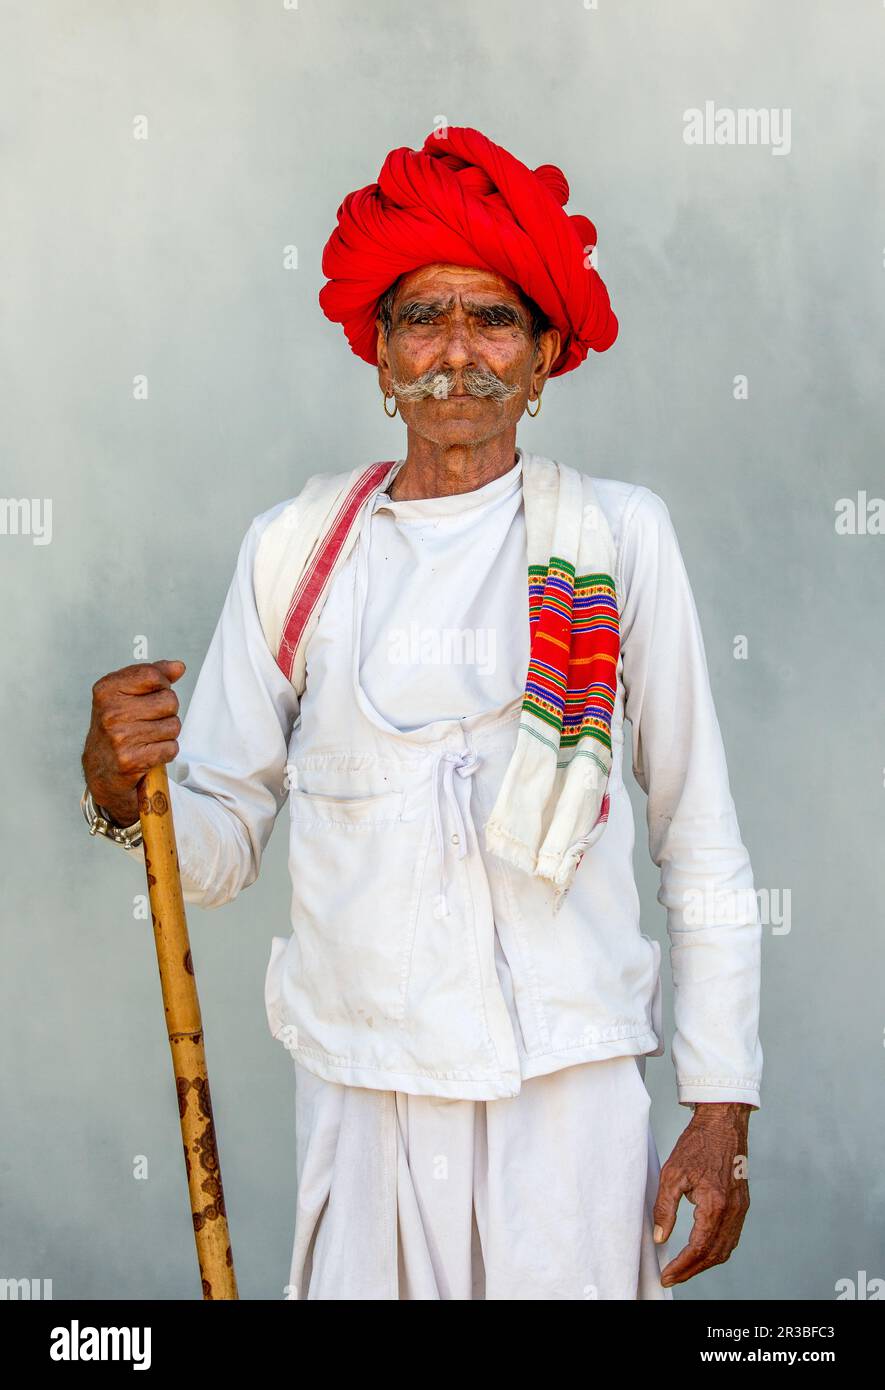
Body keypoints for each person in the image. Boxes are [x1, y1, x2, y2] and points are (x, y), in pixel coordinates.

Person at [81, 126, 762, 1301]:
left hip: (565, 1097)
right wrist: (118, 790)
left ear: (545, 357)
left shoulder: (615, 538)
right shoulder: (297, 550)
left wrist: (721, 1107)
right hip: (365, 1095)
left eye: (494, 319)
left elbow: (696, 832)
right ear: (379, 354)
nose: (458, 353)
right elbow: (223, 839)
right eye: (423, 317)